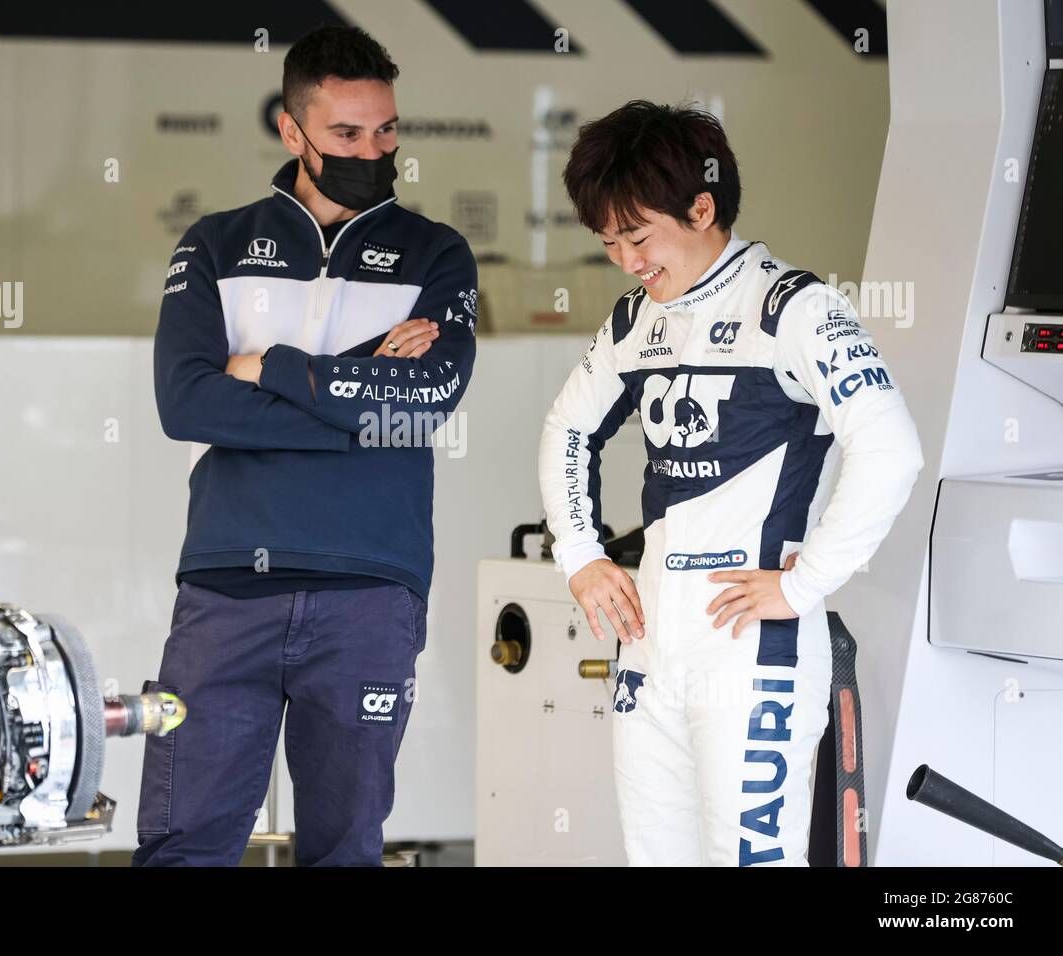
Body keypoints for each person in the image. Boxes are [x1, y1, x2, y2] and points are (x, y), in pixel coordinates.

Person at [537, 100, 923, 866]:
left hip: (753, 649)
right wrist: (580, 555)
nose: (626, 261)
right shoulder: (630, 323)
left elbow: (891, 447)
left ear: (702, 206)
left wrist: (805, 584)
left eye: (638, 237)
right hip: (648, 648)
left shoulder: (797, 307)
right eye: (609, 242)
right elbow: (567, 430)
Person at [134, 25, 476, 866]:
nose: (375, 150)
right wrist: (360, 387)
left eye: (388, 130)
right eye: (347, 135)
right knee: (185, 845)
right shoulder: (212, 244)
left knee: (345, 851)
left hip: (371, 587)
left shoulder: (439, 254)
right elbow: (185, 403)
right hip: (225, 583)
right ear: (292, 133)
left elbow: (423, 404)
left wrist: (270, 369)